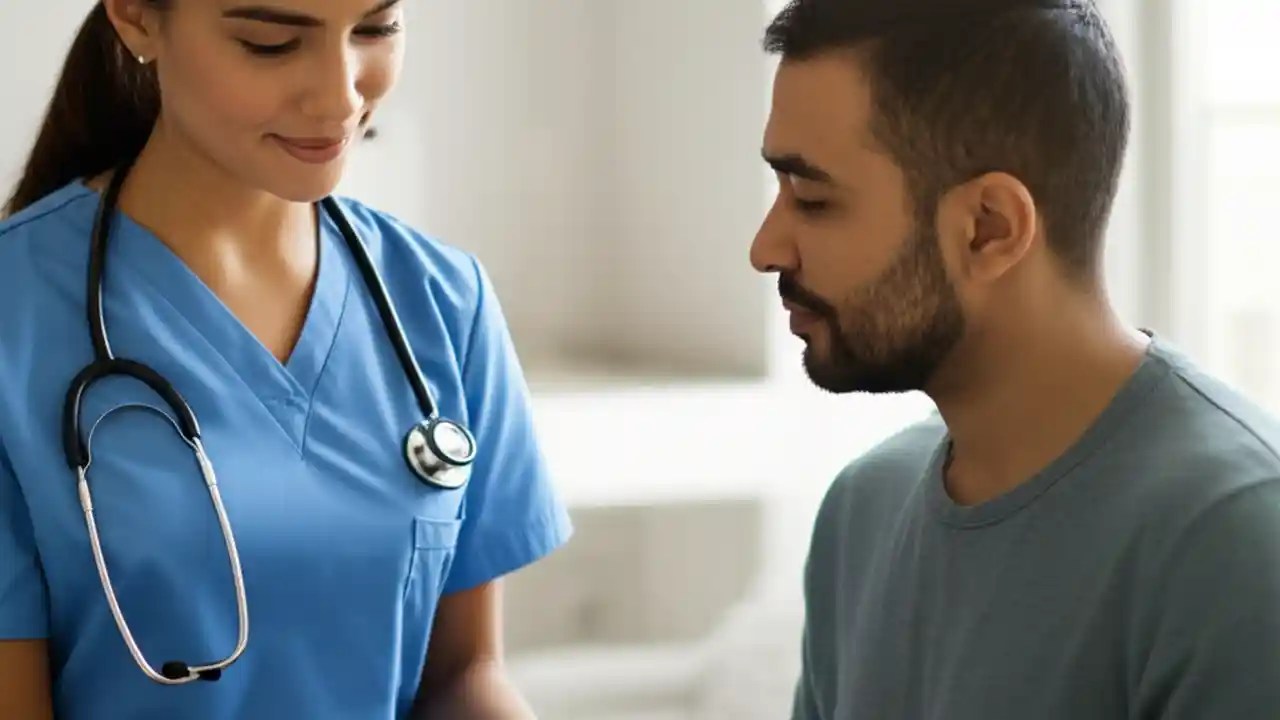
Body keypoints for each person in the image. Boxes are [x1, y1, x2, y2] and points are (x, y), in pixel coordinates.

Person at [0, 1, 573, 718]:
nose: (340, 97)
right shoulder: (18, 313)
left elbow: (462, 674)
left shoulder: (442, 299)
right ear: (138, 17)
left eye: (376, 29)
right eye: (269, 43)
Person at [751, 0, 1280, 718]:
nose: (766, 248)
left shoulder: (1238, 540)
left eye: (812, 200)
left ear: (989, 228)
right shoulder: (861, 513)